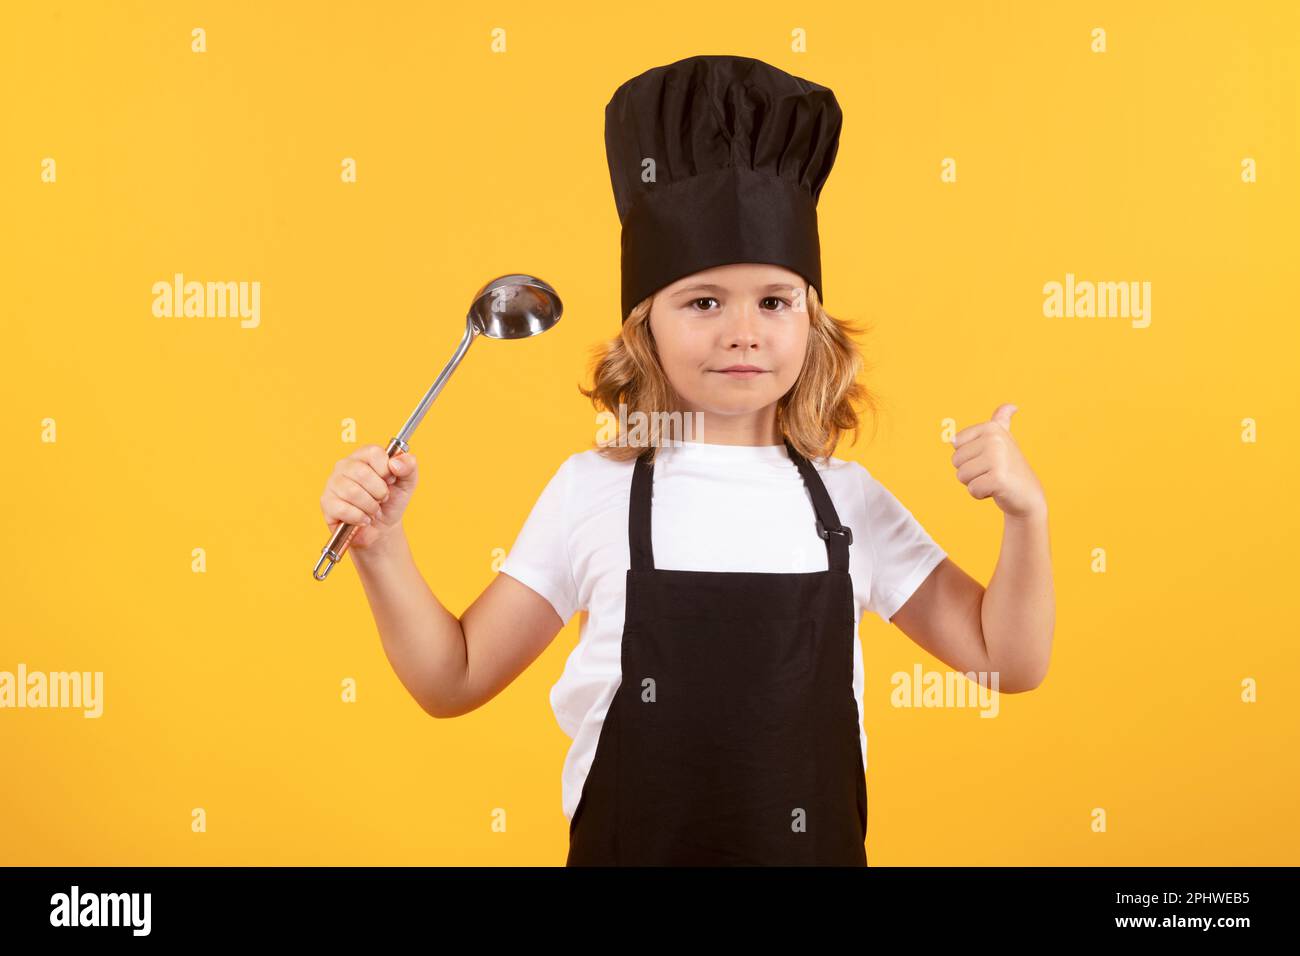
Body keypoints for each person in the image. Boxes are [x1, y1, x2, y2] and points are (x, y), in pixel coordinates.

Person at [318, 55, 1055, 866]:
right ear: (646, 327)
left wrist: (1026, 519)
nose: (743, 331)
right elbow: (451, 679)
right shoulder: (590, 490)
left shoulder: (849, 504)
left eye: (774, 301)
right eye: (704, 301)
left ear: (811, 324)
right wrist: (381, 549)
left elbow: (1005, 661)